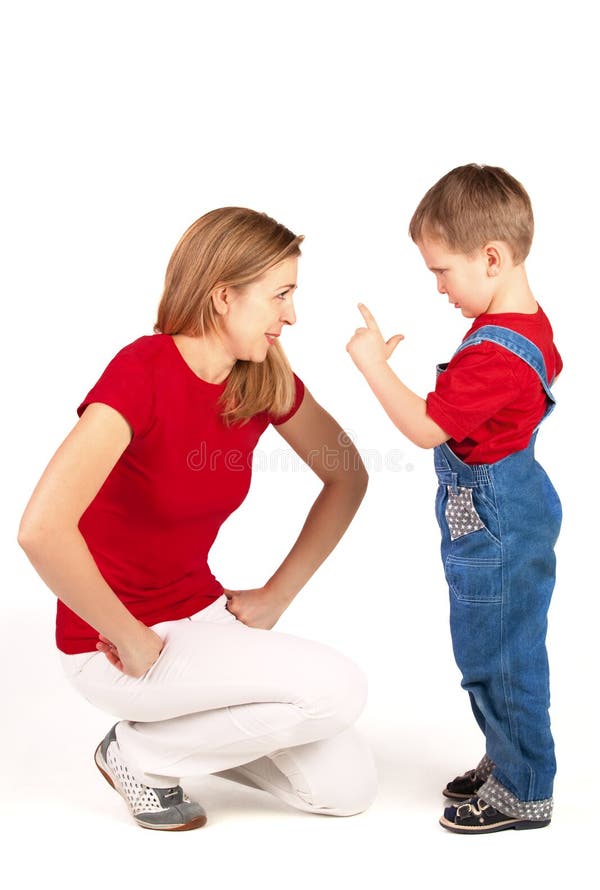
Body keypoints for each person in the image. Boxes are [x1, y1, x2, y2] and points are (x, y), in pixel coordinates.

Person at [18, 207, 377, 831]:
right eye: (280, 295)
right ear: (222, 295)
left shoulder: (262, 379)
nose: (291, 315)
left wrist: (276, 595)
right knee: (337, 688)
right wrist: (128, 635)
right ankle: (136, 752)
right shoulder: (142, 372)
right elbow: (41, 529)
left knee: (347, 786)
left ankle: (156, 748)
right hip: (112, 644)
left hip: (203, 617)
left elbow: (347, 475)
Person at [346, 164, 562, 834]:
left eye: (442, 270)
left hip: (495, 521)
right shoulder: (524, 323)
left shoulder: (495, 355)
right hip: (510, 504)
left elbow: (423, 427)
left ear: (491, 257)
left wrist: (373, 366)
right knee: (495, 646)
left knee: (497, 655)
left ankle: (525, 787)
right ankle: (509, 757)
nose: (437, 287)